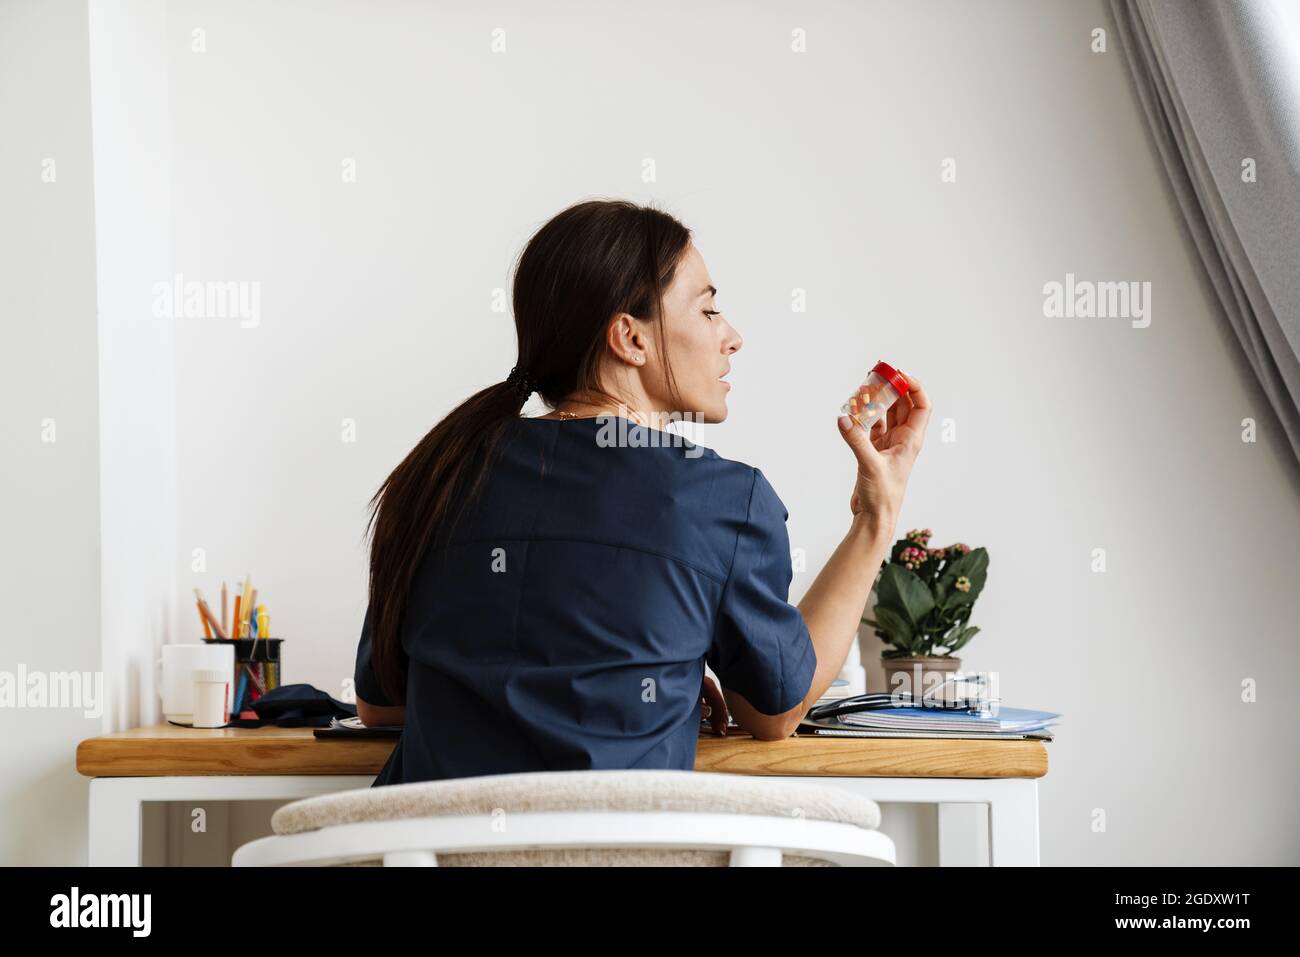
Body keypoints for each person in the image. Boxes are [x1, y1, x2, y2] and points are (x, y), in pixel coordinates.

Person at [355, 198, 929, 785]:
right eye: (708, 311)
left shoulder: (438, 472)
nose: (732, 337)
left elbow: (379, 703)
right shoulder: (722, 500)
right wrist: (874, 519)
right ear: (630, 338)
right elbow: (774, 710)